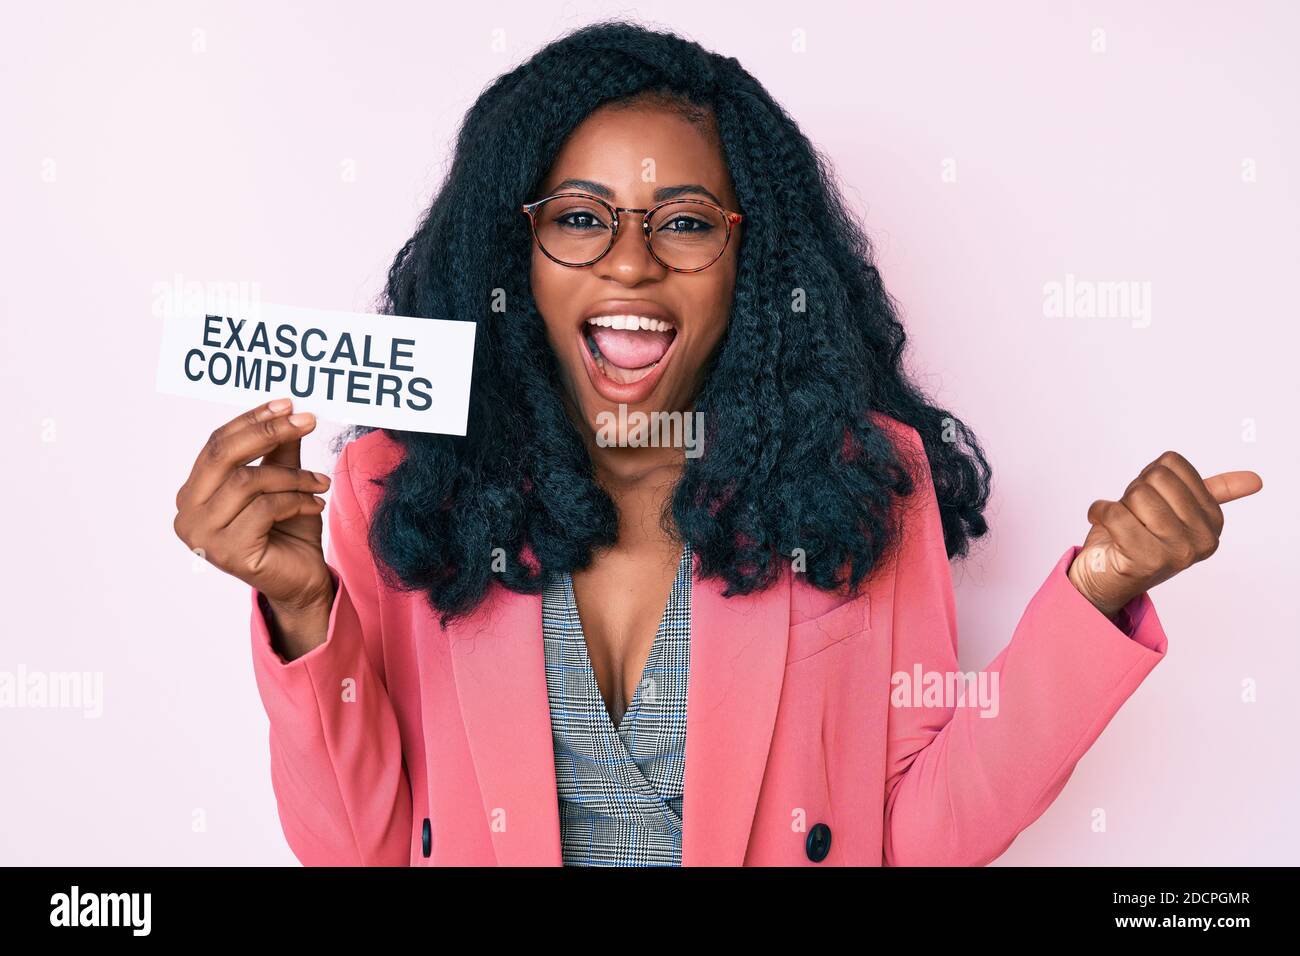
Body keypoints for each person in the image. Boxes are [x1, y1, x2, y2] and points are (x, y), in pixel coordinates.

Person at [171, 20, 1262, 866]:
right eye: (579, 215)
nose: (631, 262)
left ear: (752, 258)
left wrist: (1099, 590)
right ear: (517, 248)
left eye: (685, 221)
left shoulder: (857, 481)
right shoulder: (403, 485)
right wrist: (304, 608)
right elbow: (353, 848)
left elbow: (923, 834)